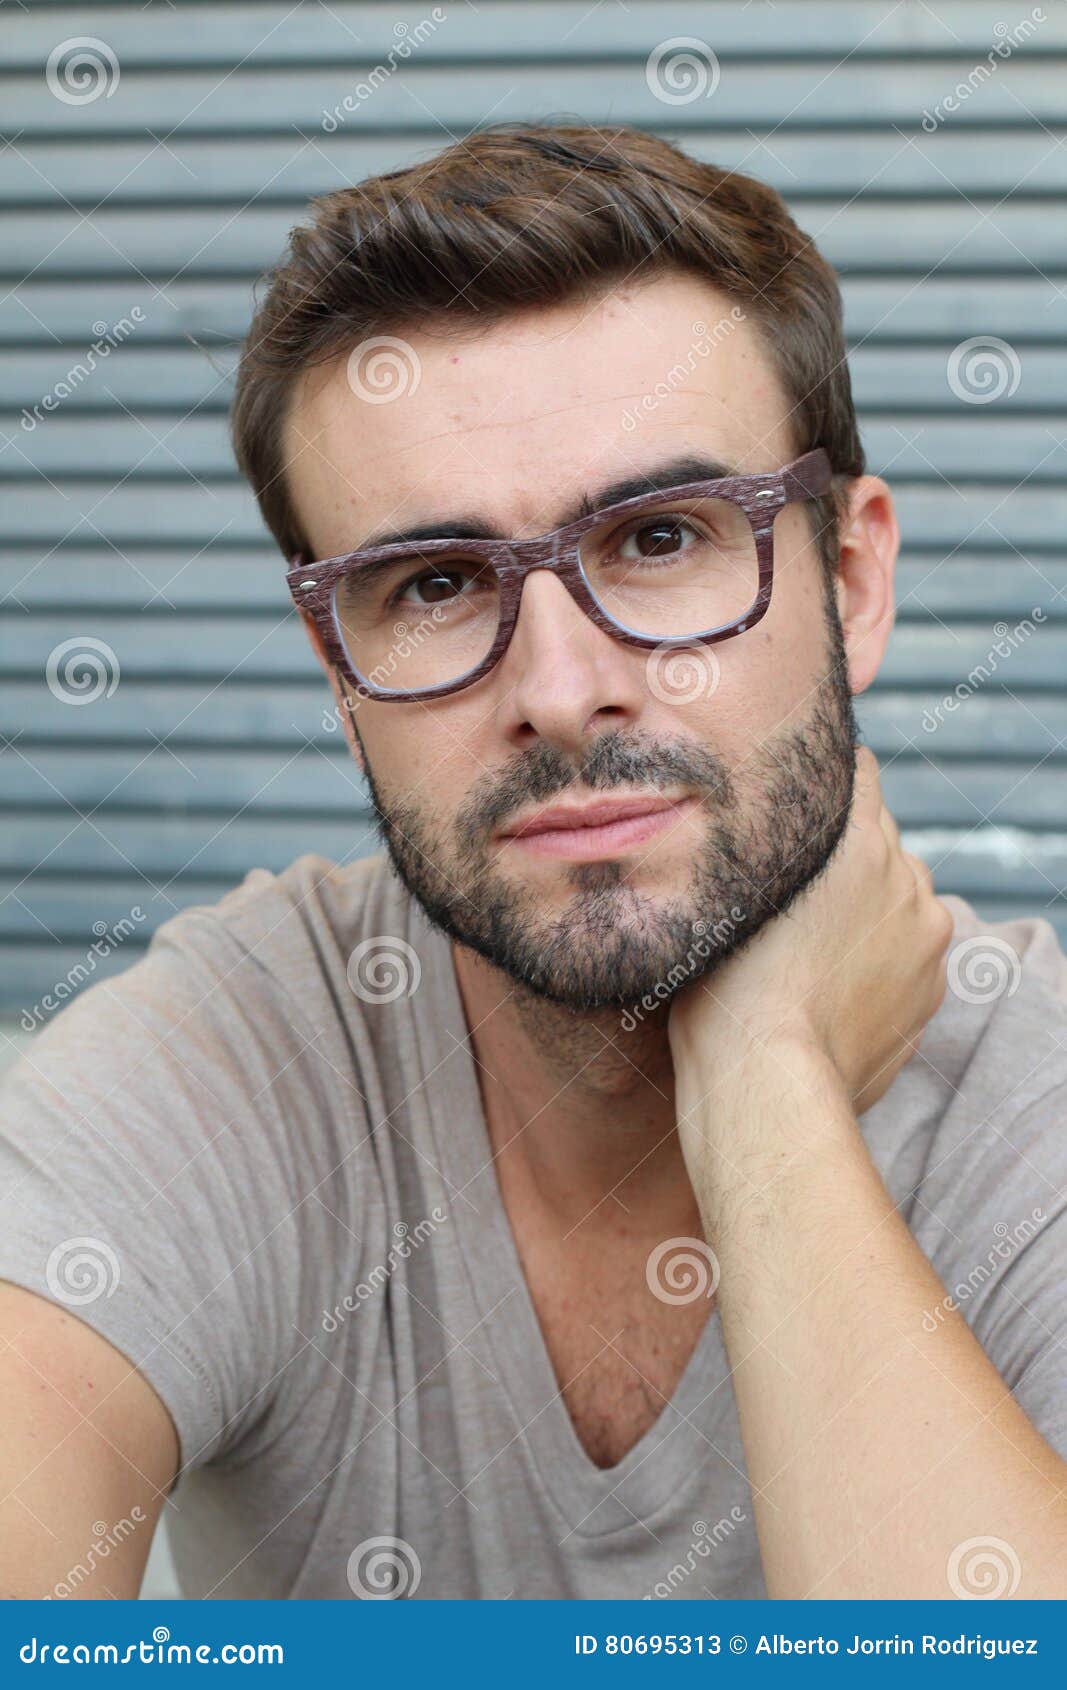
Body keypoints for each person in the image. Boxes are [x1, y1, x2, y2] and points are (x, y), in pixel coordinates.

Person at [1, 122, 1064, 1602]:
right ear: (336, 666)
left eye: (660, 538)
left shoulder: (1039, 1115)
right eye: (432, 584)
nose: (561, 690)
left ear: (852, 579)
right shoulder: (236, 1064)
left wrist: (765, 1091)